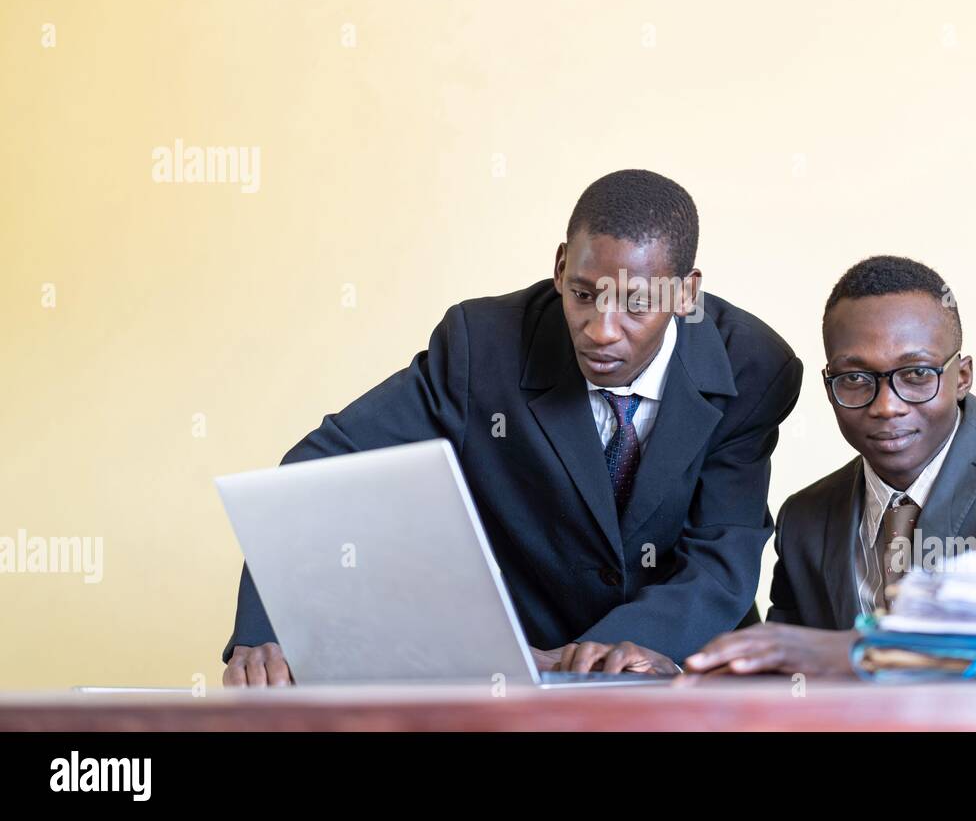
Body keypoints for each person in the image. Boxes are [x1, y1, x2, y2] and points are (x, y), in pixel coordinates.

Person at [222, 169, 802, 686]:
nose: (601, 330)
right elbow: (325, 467)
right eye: (583, 294)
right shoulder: (483, 346)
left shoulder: (753, 366)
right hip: (522, 675)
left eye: (635, 304)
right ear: (559, 267)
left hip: (677, 666)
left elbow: (723, 550)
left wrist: (609, 653)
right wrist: (266, 627)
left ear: (686, 293)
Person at [681, 255, 976, 676]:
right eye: (856, 379)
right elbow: (786, 672)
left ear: (962, 377)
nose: (887, 406)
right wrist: (679, 662)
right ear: (828, 385)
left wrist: (861, 650)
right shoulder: (806, 517)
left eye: (916, 374)